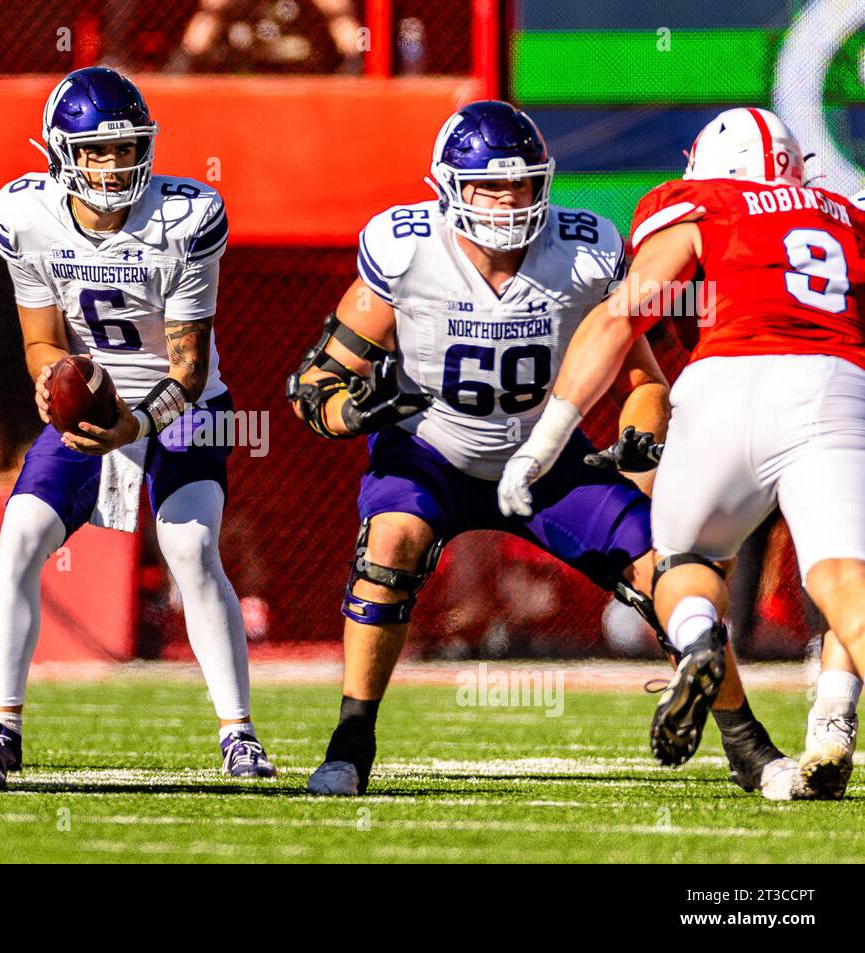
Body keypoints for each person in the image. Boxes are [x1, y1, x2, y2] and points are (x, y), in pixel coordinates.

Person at [290, 100, 796, 798]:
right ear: (448, 186)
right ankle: (351, 743)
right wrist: (352, 410)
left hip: (547, 462)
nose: (505, 201)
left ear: (544, 183)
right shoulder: (409, 251)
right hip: (430, 453)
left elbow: (642, 380)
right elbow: (314, 386)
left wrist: (640, 433)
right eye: (487, 187)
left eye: (520, 184)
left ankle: (748, 743)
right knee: (392, 541)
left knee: (666, 570)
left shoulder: (583, 255)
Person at [498, 106, 865, 800]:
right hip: (835, 382)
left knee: (686, 560)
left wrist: (541, 446)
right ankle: (834, 713)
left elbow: (621, 314)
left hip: (727, 379)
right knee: (845, 578)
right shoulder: (843, 212)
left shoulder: (701, 201)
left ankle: (696, 639)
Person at [0, 67, 275, 779]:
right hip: (96, 396)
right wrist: (56, 387)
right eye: (96, 150)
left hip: (185, 408)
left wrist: (130, 427)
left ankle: (238, 733)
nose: (114, 165)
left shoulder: (186, 218)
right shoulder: (27, 214)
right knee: (19, 537)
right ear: (60, 153)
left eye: (126, 147)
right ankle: (1, 729)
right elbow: (41, 341)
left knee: (190, 547)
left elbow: (188, 373)